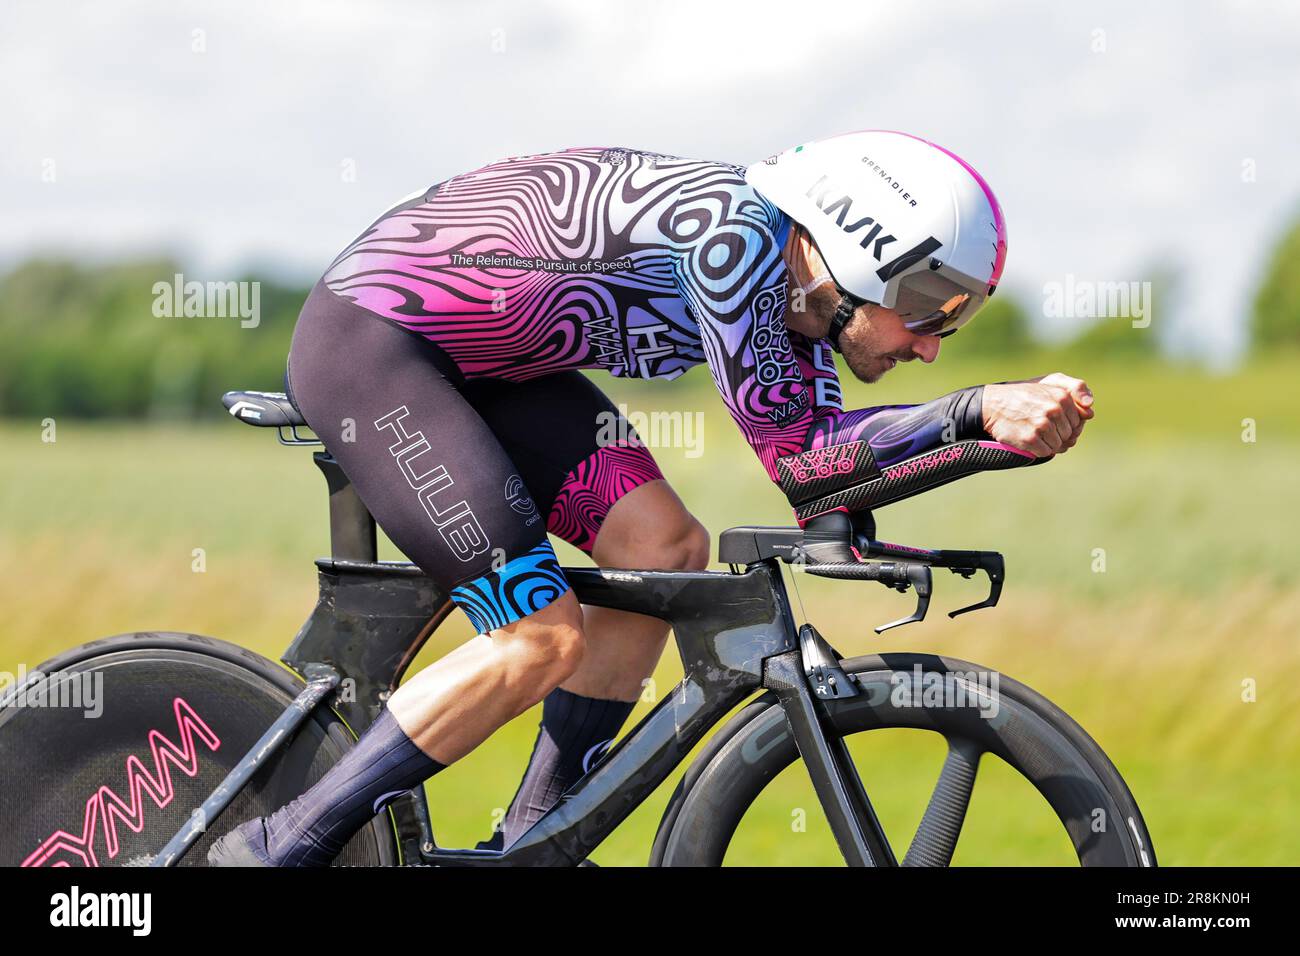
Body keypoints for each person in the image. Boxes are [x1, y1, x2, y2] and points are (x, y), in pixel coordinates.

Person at [208, 130, 1093, 866]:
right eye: (930, 304)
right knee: (536, 638)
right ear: (861, 252)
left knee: (664, 551)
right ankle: (277, 849)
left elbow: (829, 488)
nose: (934, 344)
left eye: (958, 316)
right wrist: (979, 413)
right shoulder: (735, 247)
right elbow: (813, 465)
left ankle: (532, 843)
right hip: (376, 344)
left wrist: (979, 448)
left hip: (496, 367)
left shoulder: (802, 296)